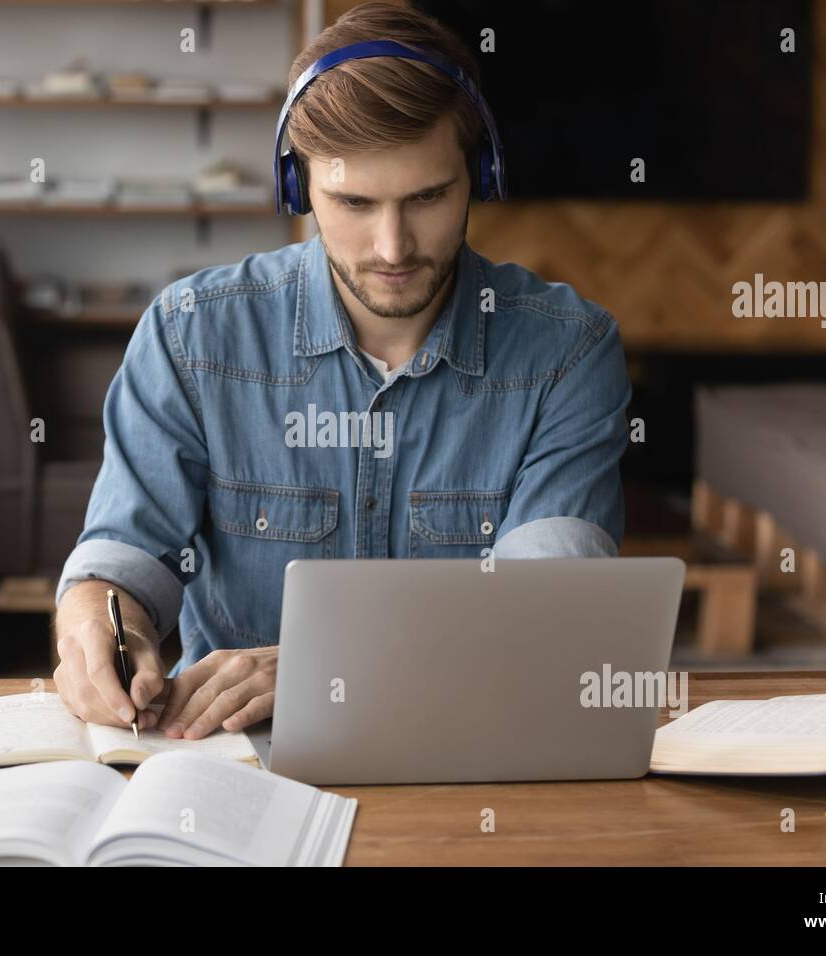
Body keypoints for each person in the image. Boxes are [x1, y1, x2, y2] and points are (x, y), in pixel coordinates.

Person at [52, 2, 630, 741]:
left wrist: (331, 673)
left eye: (427, 197)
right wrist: (105, 628)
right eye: (354, 202)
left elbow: (551, 623)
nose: (393, 247)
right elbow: (120, 561)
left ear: (480, 175)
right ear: (298, 191)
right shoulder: (190, 335)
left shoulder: (569, 354)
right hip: (236, 771)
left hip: (473, 761)